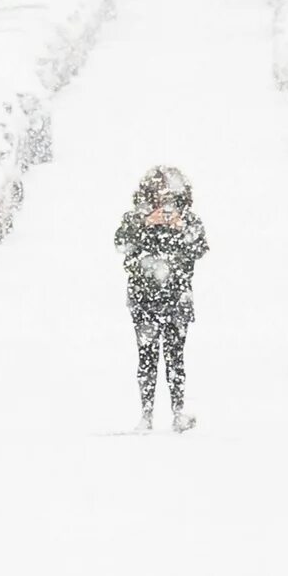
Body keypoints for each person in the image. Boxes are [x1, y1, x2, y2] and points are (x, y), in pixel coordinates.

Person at [113, 165, 207, 431]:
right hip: (144, 300)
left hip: (177, 298)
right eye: (159, 195)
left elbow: (199, 248)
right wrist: (145, 225)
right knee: (147, 357)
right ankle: (147, 413)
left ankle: (178, 411)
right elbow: (122, 244)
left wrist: (181, 229)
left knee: (176, 356)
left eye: (169, 196)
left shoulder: (189, 219)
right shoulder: (135, 219)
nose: (164, 202)